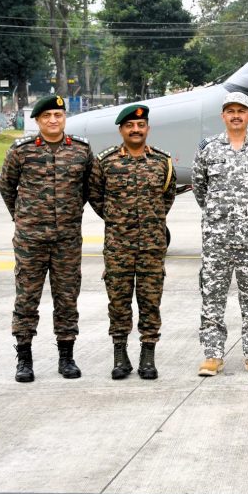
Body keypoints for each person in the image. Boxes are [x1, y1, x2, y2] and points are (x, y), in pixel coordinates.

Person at [0, 94, 93, 383]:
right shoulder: (21, 151)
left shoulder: (81, 151)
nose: (53, 120)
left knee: (67, 298)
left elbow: (88, 188)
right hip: (31, 240)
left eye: (58, 115)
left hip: (67, 239)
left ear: (64, 118)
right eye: (47, 116)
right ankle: (24, 358)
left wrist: (70, 214)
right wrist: (24, 219)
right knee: (27, 298)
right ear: (38, 121)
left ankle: (66, 357)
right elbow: (7, 187)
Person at [192, 92, 248, 377]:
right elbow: (200, 189)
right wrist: (221, 216)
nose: (236, 115)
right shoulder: (208, 149)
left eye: (241, 110)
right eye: (231, 111)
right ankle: (213, 355)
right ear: (223, 116)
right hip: (216, 236)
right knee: (212, 293)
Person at [88, 104, 176, 380]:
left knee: (150, 301)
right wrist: (117, 220)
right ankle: (120, 355)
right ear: (121, 129)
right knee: (118, 301)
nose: (135, 130)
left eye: (140, 126)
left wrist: (151, 221)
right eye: (130, 126)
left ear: (147, 128)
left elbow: (167, 197)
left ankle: (147, 357)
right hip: (118, 246)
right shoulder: (106, 161)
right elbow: (95, 196)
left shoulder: (162, 162)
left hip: (152, 246)